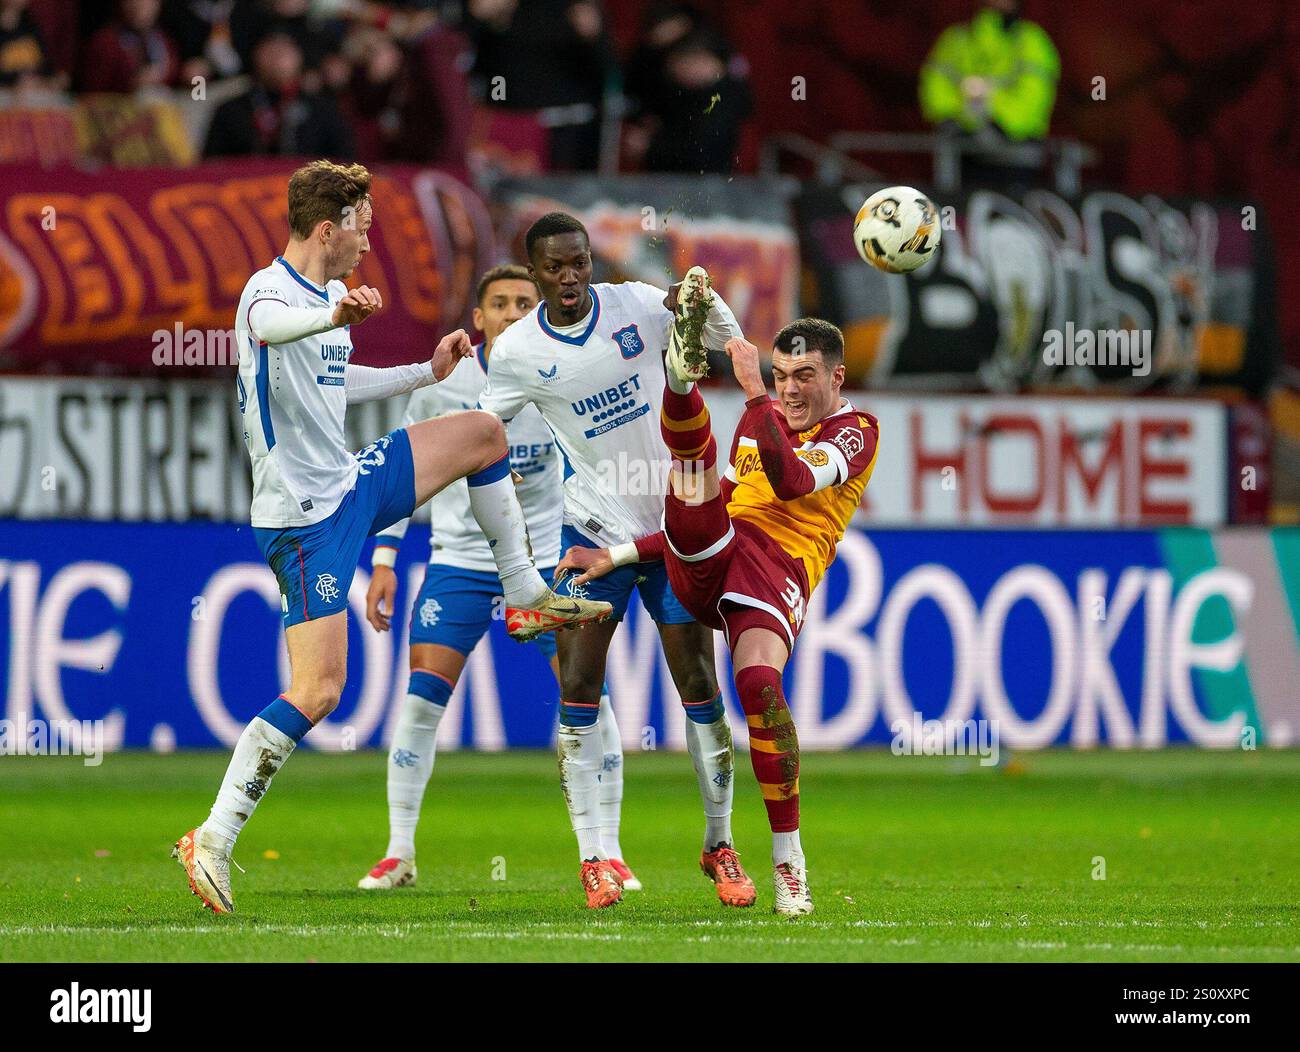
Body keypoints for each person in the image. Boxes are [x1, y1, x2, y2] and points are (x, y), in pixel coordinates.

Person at [172, 162, 611, 915]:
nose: (367, 243)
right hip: (301, 523)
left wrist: (421, 371)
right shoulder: (272, 292)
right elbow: (270, 330)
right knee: (318, 692)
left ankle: (525, 587)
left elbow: (335, 383)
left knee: (479, 431)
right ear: (326, 230)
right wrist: (334, 319)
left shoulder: (325, 301)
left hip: (349, 484)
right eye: (362, 229)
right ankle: (212, 836)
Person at [557, 314, 880, 916]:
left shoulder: (858, 429)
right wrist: (617, 554)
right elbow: (721, 501)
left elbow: (791, 482)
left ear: (837, 377)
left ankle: (789, 862)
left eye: (804, 375)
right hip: (711, 554)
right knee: (692, 485)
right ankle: (680, 381)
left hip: (776, 571)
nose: (789, 388)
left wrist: (754, 392)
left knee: (757, 684)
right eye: (780, 375)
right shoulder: (758, 424)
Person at [476, 212, 753, 909]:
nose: (570, 277)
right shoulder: (515, 351)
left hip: (675, 531)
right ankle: (595, 856)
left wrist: (737, 343)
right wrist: (494, 488)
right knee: (578, 688)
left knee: (698, 683)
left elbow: (692, 299)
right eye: (555, 268)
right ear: (533, 270)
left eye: (579, 263)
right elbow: (484, 431)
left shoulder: (632, 302)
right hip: (593, 534)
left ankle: (719, 843)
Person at [357, 264, 640, 892]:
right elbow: (399, 473)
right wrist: (383, 563)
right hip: (458, 559)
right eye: (500, 303)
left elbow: (598, 458)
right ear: (478, 318)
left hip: (543, 564)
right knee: (422, 701)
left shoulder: (560, 374)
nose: (513, 312)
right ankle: (398, 851)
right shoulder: (442, 384)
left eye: (524, 302)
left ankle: (610, 851)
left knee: (585, 694)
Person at [919, 0, 1060, 186]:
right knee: (961, 210)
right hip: (962, 152)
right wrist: (957, 118)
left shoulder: (1030, 39)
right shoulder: (956, 38)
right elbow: (935, 85)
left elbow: (1035, 93)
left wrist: (997, 118)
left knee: (1009, 211)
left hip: (1015, 155)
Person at [203, 31, 354, 158]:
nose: (277, 56)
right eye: (270, 49)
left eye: (284, 49)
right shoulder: (230, 111)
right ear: (255, 55)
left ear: (299, 56)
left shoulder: (324, 110)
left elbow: (345, 165)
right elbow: (212, 167)